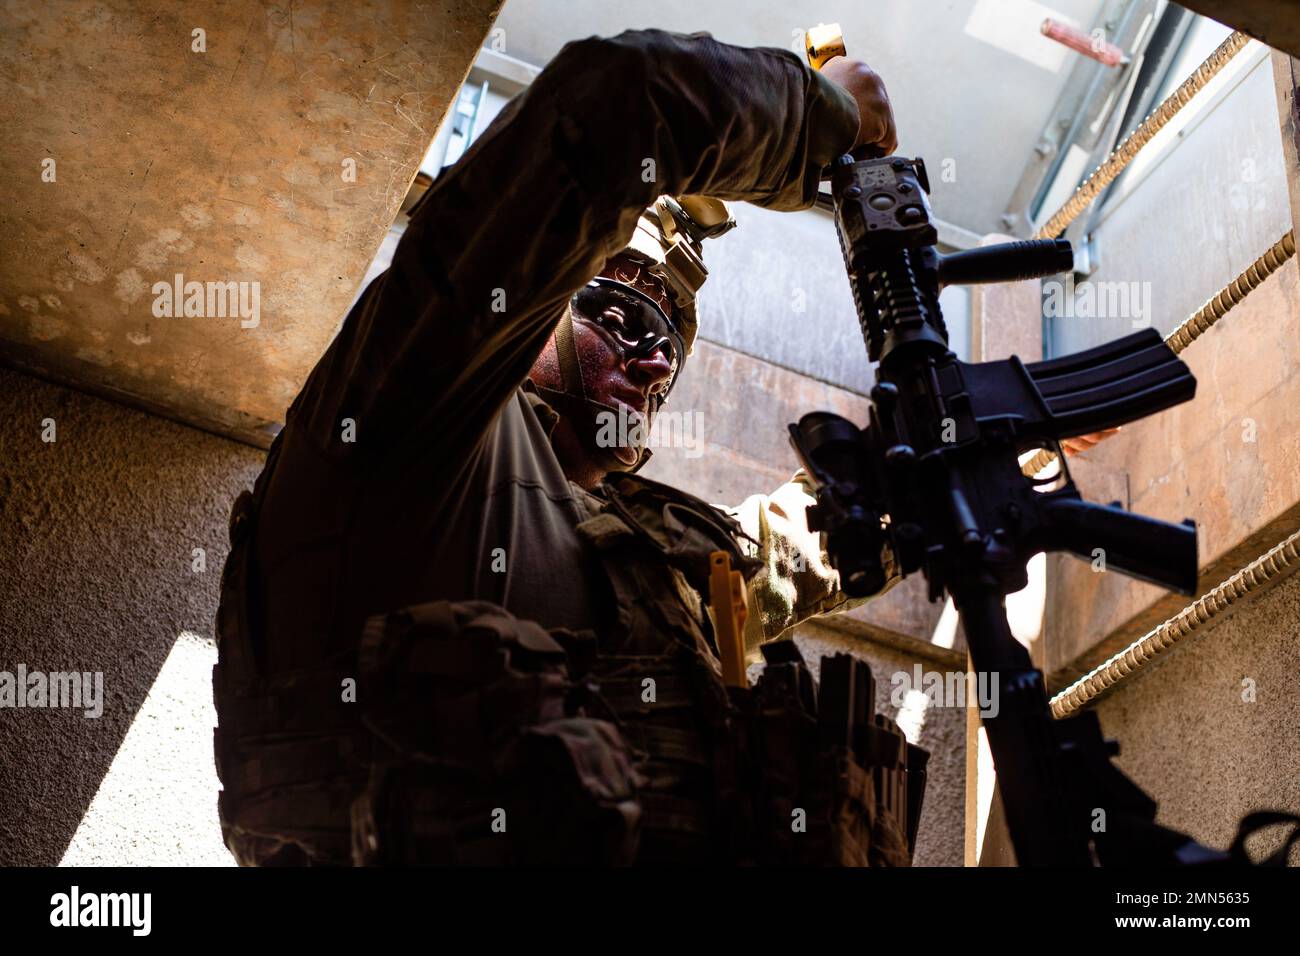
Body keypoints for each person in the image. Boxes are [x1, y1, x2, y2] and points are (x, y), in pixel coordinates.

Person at [212, 26, 924, 867]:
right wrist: (821, 118)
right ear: (535, 308)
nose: (657, 359)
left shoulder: (642, 560)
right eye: (621, 318)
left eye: (672, 343)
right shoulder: (418, 421)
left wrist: (998, 448)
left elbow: (796, 545)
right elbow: (620, 103)